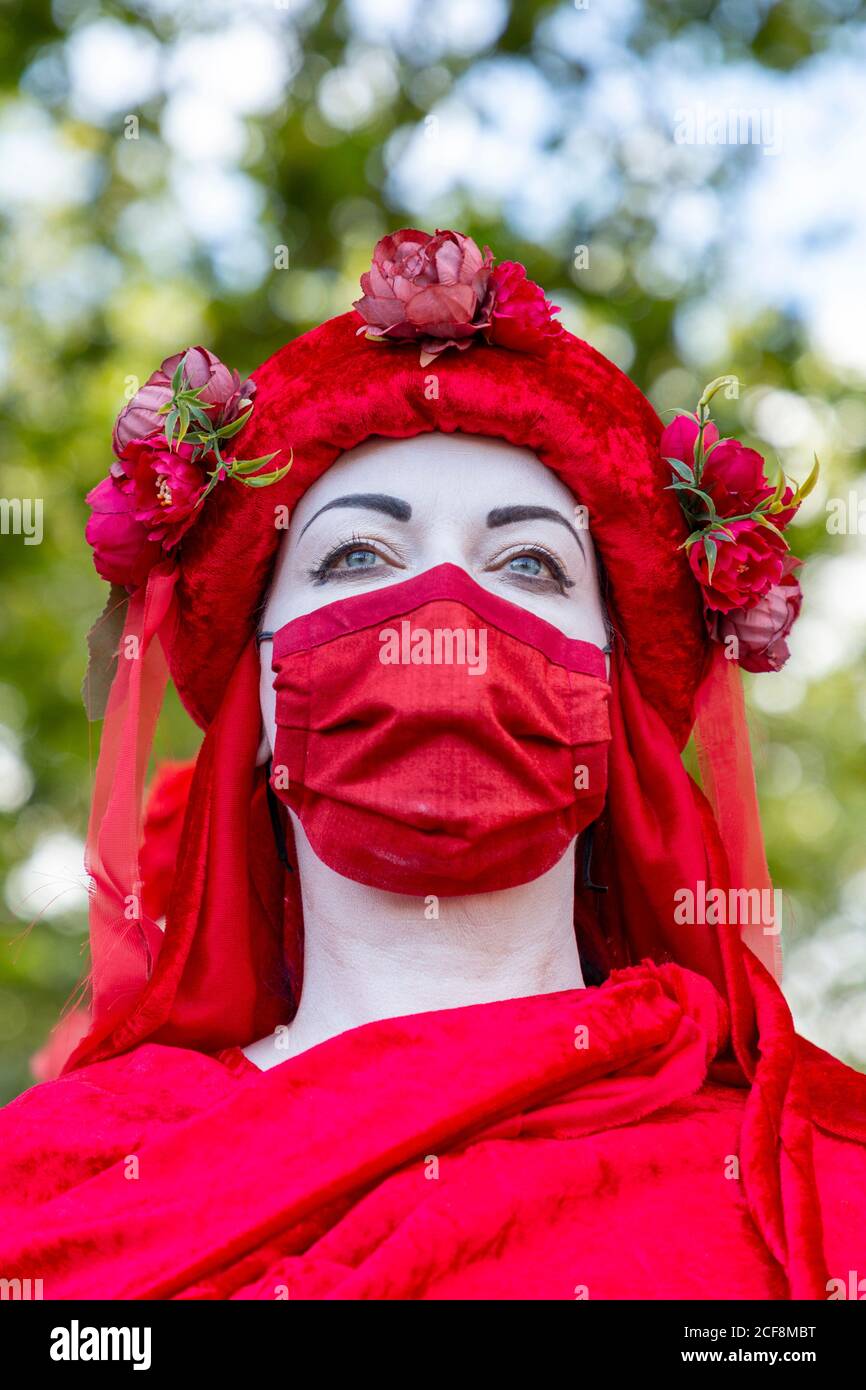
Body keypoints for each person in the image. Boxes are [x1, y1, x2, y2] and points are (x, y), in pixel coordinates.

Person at [0, 228, 863, 1301]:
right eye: (357, 555)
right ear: (254, 693)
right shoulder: (48, 1184)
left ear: (615, 694)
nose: (445, 609)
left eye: (529, 563)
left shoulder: (821, 1188)